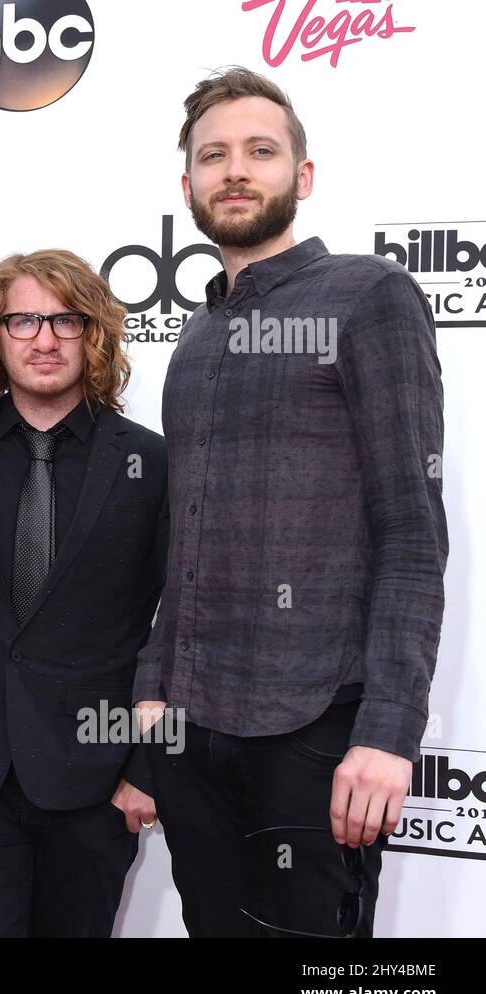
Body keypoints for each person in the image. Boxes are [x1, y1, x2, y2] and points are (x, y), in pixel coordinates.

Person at [134, 67, 448, 937]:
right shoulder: (193, 341)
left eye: (260, 152)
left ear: (301, 177)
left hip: (315, 726)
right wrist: (155, 687)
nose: (236, 170)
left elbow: (412, 534)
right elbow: (183, 543)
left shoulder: (370, 295)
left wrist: (388, 731)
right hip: (194, 732)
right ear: (188, 186)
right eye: (214, 156)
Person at [0, 249, 168, 937]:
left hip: (97, 783)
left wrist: (150, 768)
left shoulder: (150, 462)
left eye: (65, 320)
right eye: (24, 320)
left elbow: (181, 626)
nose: (43, 339)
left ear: (94, 334)